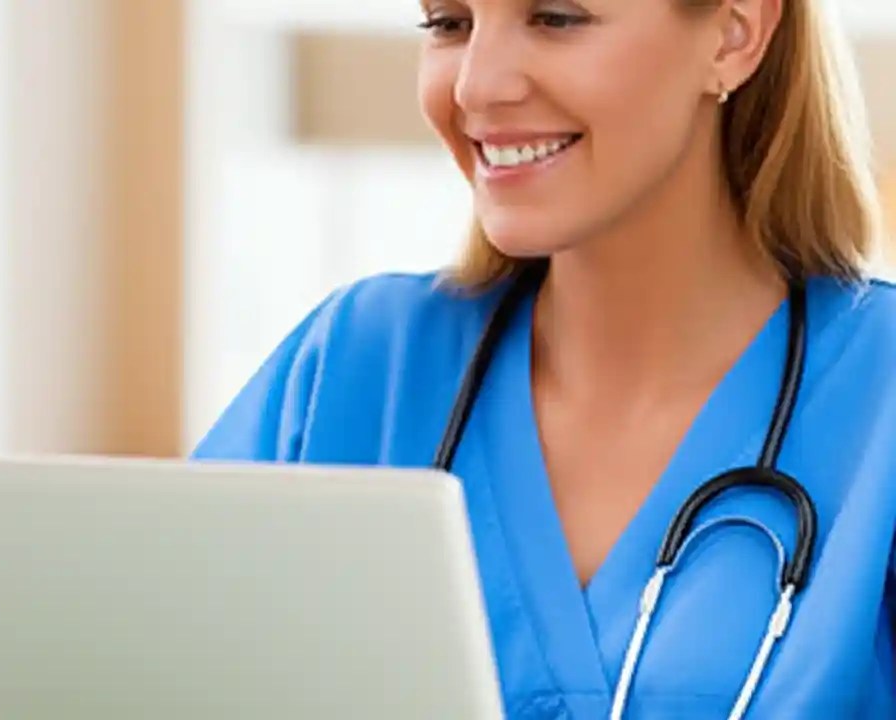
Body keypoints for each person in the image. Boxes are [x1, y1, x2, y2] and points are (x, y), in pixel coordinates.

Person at [191, 0, 896, 716]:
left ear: (734, 33)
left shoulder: (880, 399)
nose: (476, 86)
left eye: (556, 17)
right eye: (449, 24)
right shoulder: (357, 366)